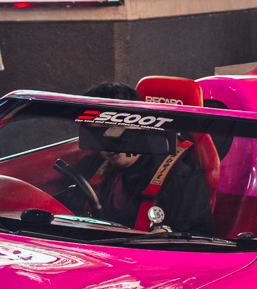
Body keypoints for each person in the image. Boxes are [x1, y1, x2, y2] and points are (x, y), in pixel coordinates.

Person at [52, 82, 215, 234]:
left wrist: (167, 237)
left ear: (139, 125)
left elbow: (201, 238)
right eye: (99, 134)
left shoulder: (180, 176)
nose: (110, 142)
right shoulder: (90, 166)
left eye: (118, 129)